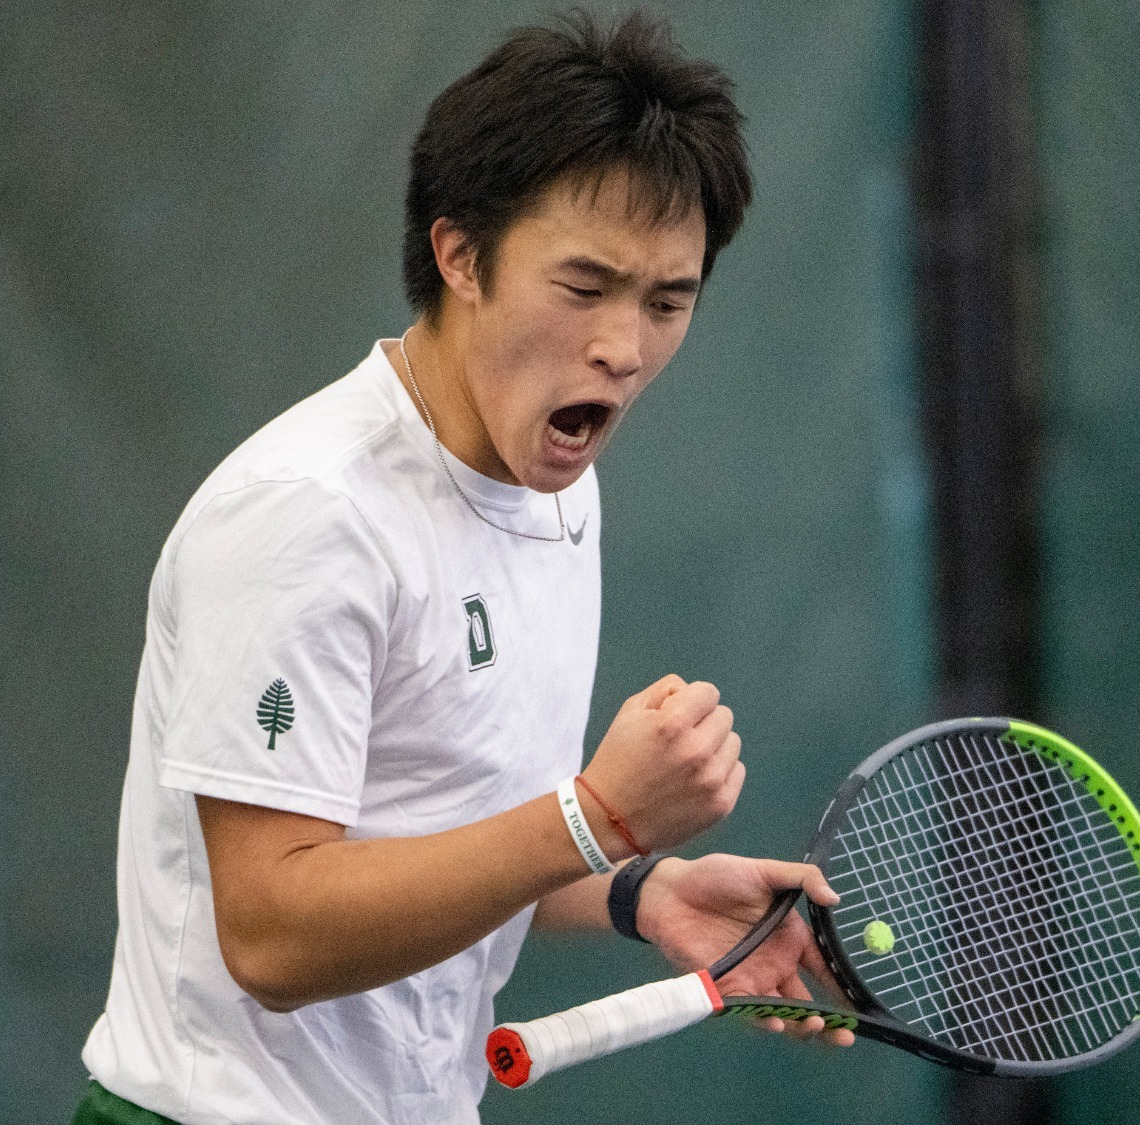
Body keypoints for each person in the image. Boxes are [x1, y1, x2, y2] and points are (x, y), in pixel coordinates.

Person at [74, 12, 849, 1125]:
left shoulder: (560, 489)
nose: (624, 347)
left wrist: (639, 890)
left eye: (667, 301)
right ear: (459, 256)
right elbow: (272, 934)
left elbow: (442, 834)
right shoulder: (307, 518)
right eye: (583, 288)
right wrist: (592, 819)